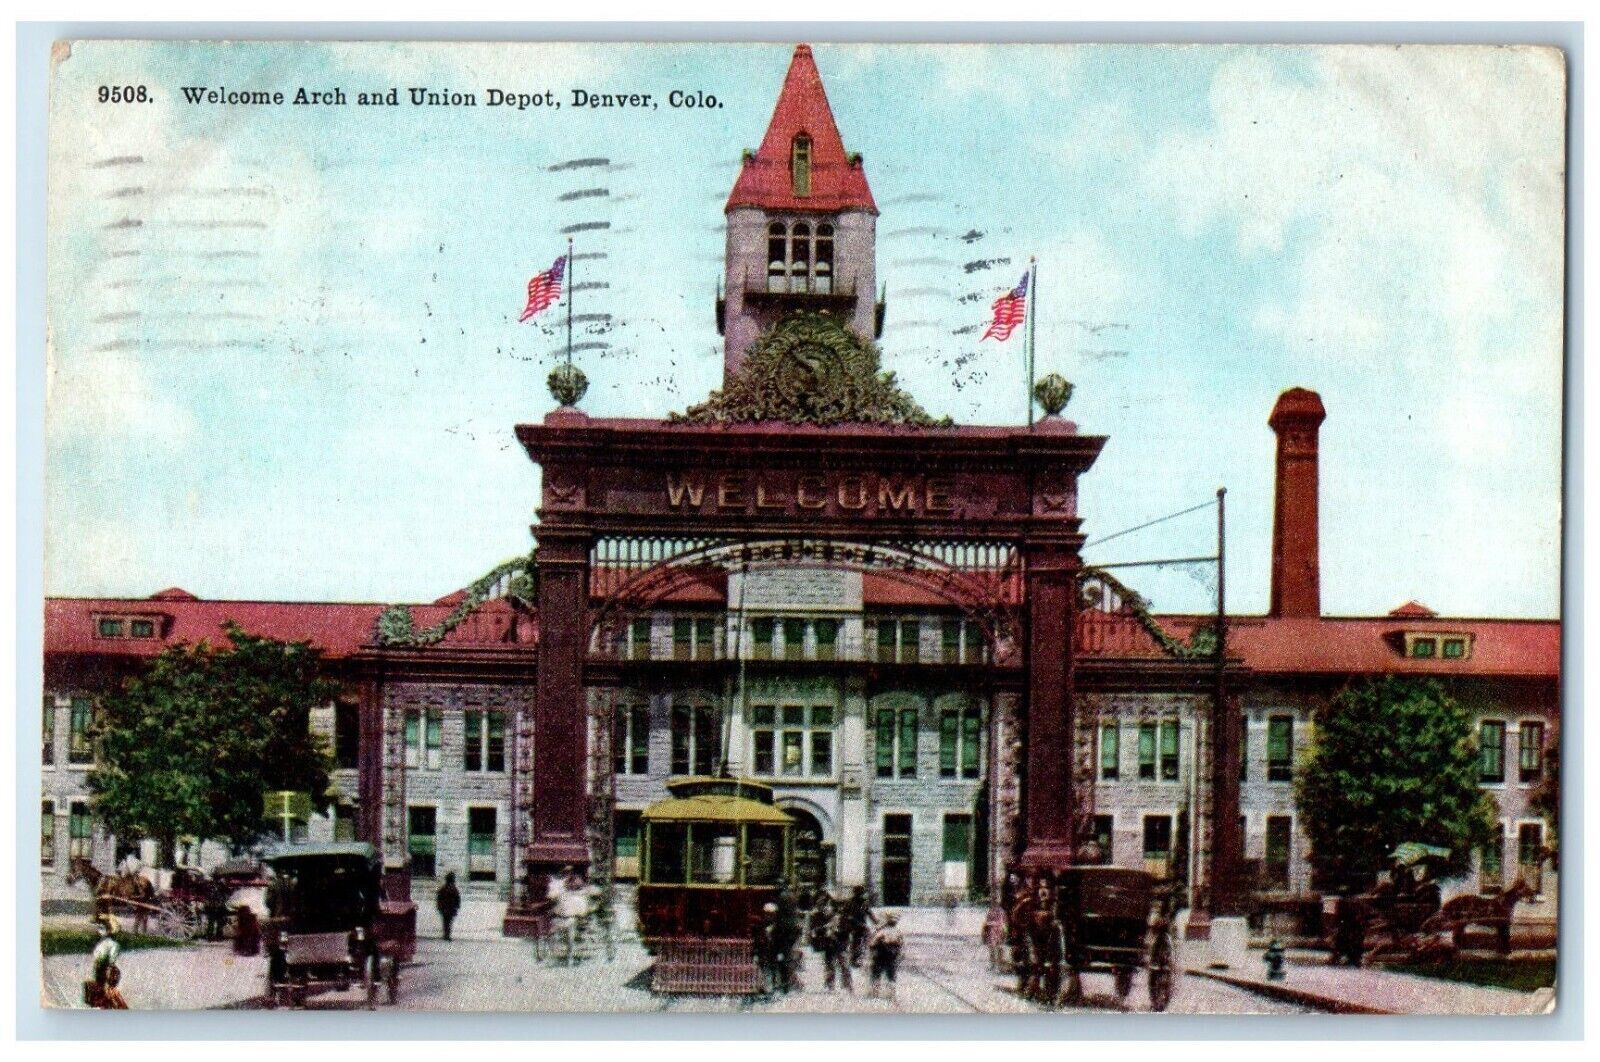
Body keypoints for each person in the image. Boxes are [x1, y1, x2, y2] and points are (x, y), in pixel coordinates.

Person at [84, 915, 128, 1009]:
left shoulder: (112, 945)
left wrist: (109, 975)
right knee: (100, 991)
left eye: (101, 928)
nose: (98, 930)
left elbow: (111, 962)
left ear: (109, 930)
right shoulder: (105, 944)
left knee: (106, 991)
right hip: (100, 969)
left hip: (105, 970)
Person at [867, 912, 905, 1002]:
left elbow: (872, 943)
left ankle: (874, 993)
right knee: (891, 976)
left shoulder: (881, 931)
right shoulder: (898, 932)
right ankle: (891, 994)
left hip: (880, 956)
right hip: (892, 957)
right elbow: (902, 945)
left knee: (876, 974)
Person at [842, 884, 877, 968]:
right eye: (860, 893)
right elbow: (845, 915)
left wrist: (875, 921)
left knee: (865, 939)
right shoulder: (849, 902)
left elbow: (869, 912)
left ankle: (859, 956)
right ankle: (855, 958)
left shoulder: (864, 902)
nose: (861, 895)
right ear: (856, 893)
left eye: (862, 893)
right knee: (856, 941)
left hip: (861, 925)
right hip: (852, 925)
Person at [436, 871, 462, 941]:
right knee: (449, 922)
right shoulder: (454, 889)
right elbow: (458, 899)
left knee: (445, 922)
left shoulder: (443, 888)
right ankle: (447, 935)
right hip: (451, 908)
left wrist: (439, 907)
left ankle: (446, 935)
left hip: (445, 908)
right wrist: (457, 906)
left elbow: (439, 898)